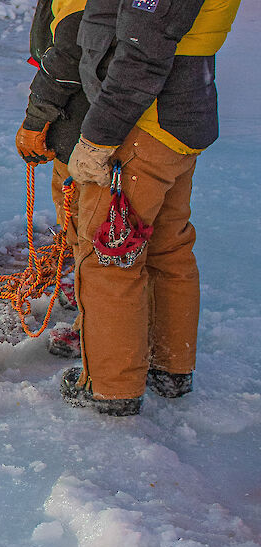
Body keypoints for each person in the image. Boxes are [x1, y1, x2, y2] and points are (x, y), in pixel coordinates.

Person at [61, 0, 240, 415]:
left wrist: (99, 137)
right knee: (168, 247)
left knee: (108, 258)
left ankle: (112, 387)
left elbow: (143, 50)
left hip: (144, 123)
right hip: (181, 116)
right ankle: (170, 367)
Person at [16, 0, 90, 359]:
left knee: (90, 224)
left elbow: (69, 55)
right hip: (75, 120)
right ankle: (83, 283)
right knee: (71, 208)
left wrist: (37, 117)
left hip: (86, 120)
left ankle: (96, 322)